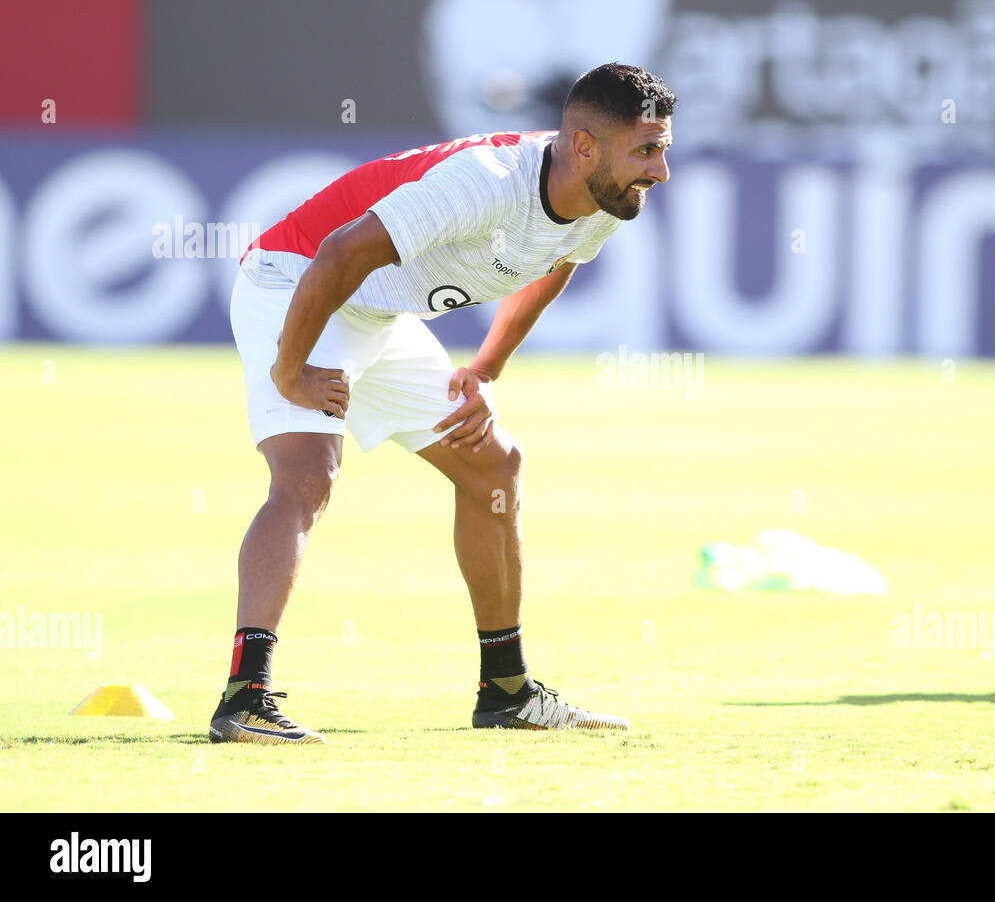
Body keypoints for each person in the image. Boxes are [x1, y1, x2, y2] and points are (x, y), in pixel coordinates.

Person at [210, 63, 674, 744]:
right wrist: (289, 369)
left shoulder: (604, 199)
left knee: (495, 467)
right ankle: (244, 697)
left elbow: (554, 268)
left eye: (663, 148)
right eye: (647, 150)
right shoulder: (483, 185)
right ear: (583, 146)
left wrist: (485, 368)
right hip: (293, 280)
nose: (661, 171)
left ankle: (507, 691)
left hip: (377, 313)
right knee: (308, 475)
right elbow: (337, 255)